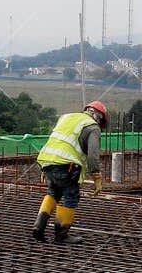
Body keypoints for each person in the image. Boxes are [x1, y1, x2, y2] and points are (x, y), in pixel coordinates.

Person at [31, 101, 107, 243]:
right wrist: (96, 177)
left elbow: (54, 141)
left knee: (53, 193)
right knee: (71, 196)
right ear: (99, 117)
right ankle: (61, 235)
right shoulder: (93, 127)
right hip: (67, 166)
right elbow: (92, 155)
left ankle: (38, 227)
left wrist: (45, 166)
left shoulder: (66, 117)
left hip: (47, 160)